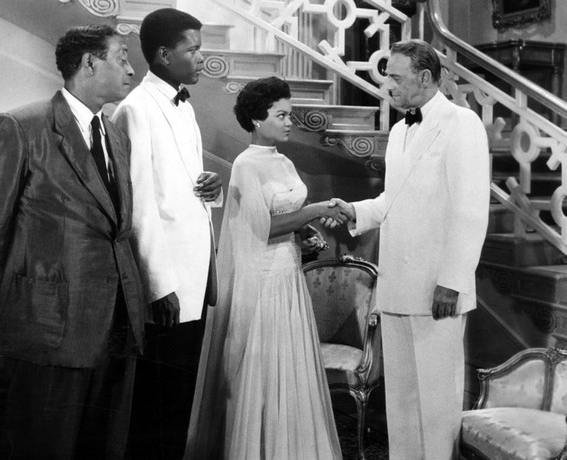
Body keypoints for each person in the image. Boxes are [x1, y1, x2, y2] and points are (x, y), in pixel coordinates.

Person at [0, 25, 146, 459]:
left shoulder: (115, 135)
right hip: (51, 324)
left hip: (119, 319)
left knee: (103, 445)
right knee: (46, 445)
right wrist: (31, 292)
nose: (131, 70)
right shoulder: (21, 126)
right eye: (122, 57)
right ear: (89, 63)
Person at [330, 39, 490, 459]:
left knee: (437, 402)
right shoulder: (400, 130)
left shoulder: (461, 124)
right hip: (397, 285)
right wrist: (355, 210)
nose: (389, 87)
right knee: (400, 402)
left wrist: (452, 281)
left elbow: (471, 210)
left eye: (396, 78)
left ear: (424, 77)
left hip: (437, 289)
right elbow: (394, 199)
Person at [184, 76, 344, 460]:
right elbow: (263, 228)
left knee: (291, 369)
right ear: (257, 119)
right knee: (266, 372)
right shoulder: (245, 164)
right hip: (264, 282)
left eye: (290, 115)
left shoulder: (284, 161)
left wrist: (305, 232)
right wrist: (315, 211)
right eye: (281, 115)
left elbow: (284, 217)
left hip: (290, 276)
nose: (290, 122)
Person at [111, 8, 222, 459]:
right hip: (168, 283)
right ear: (163, 54)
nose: (201, 58)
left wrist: (211, 188)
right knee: (156, 401)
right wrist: (159, 285)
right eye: (192, 49)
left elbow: (180, 187)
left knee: (179, 398)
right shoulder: (135, 109)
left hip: (195, 275)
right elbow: (137, 205)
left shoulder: (183, 105)